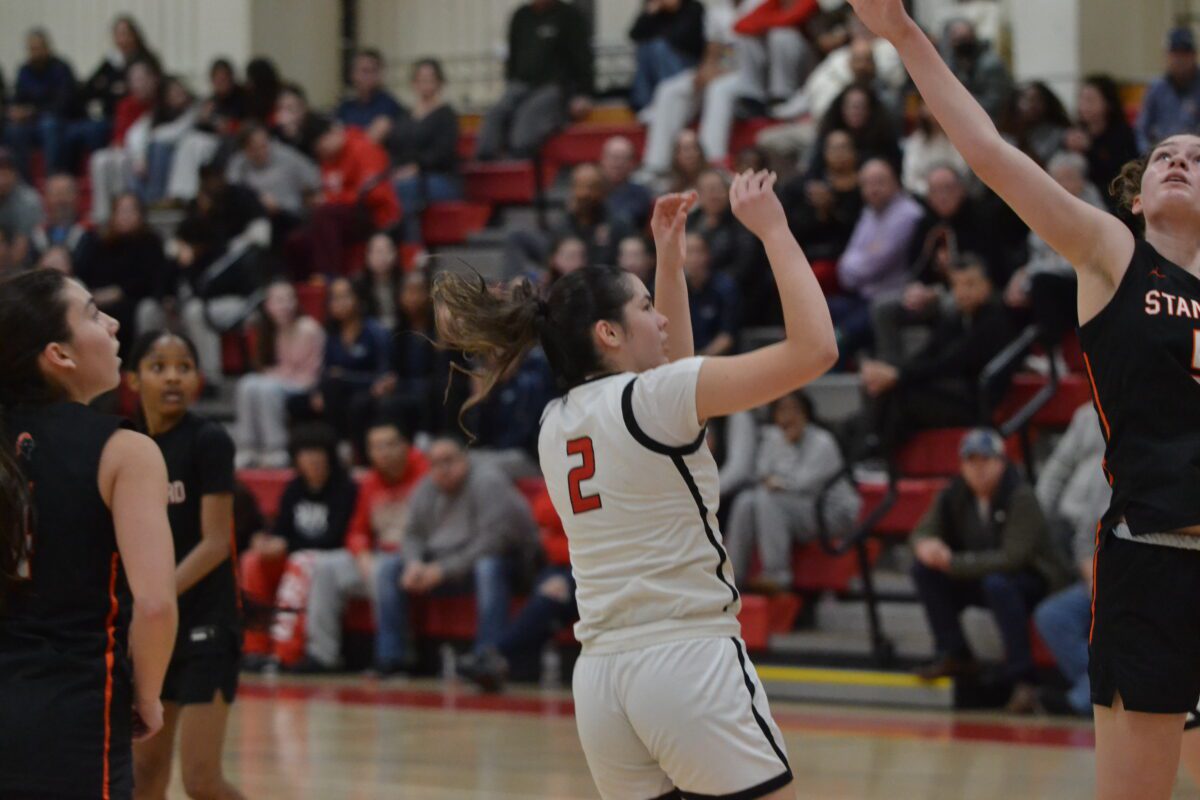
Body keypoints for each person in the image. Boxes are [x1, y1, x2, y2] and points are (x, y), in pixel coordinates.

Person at [848, 0, 1200, 794]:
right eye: (1163, 156)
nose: (1178, 161)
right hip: (1154, 560)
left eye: (1197, 157)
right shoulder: (1113, 254)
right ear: (1136, 197)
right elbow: (990, 154)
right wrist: (904, 35)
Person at [432, 171, 838, 799]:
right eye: (646, 308)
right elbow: (815, 350)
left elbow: (669, 374)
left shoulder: (554, 422)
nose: (663, 320)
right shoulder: (654, 400)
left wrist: (668, 259)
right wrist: (774, 230)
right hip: (686, 660)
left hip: (602, 681)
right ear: (609, 333)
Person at [0, 269, 177, 798]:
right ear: (59, 354)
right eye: (94, 314)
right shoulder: (127, 451)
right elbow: (155, 606)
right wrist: (147, 697)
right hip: (72, 711)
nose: (114, 323)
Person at [126, 331, 245, 800]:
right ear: (133, 379)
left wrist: (154, 596)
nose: (173, 377)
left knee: (201, 780)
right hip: (155, 631)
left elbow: (216, 543)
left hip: (205, 626)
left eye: (184, 367)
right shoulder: (126, 445)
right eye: (159, 367)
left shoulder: (208, 440)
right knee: (145, 774)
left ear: (198, 379)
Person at [908, 428, 1072, 713]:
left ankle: (1024, 681)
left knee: (999, 584)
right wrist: (926, 545)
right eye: (970, 461)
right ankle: (955, 653)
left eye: (985, 459)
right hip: (983, 576)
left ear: (1001, 462)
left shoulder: (1021, 496)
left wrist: (953, 563)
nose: (978, 468)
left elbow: (1013, 558)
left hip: (1036, 581)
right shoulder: (954, 494)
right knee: (924, 571)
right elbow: (922, 530)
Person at [372, 437, 540, 675]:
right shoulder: (425, 488)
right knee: (389, 567)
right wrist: (414, 563)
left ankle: (486, 659)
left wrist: (442, 570)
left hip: (508, 565)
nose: (442, 469)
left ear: (465, 458)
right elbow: (412, 535)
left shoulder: (488, 481)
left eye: (449, 460)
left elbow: (494, 542)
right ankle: (392, 658)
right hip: (445, 564)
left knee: (488, 567)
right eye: (435, 463)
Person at [293, 420, 428, 672]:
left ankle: (396, 656)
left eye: (390, 444)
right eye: (376, 447)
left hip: (415, 559)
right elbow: (357, 530)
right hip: (379, 556)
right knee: (324, 566)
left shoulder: (426, 476)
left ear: (406, 446)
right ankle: (323, 655)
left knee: (384, 570)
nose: (384, 452)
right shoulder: (370, 482)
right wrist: (362, 553)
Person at [239, 423, 358, 670]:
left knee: (301, 561)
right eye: (306, 453)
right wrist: (265, 541)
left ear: (329, 456)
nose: (313, 459)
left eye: (318, 453)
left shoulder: (346, 488)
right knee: (252, 561)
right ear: (297, 458)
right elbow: (281, 529)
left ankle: (286, 653)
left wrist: (286, 545)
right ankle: (254, 648)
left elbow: (335, 537)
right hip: (295, 556)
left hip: (327, 559)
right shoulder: (294, 488)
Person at [725, 390, 861, 594]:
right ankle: (732, 577)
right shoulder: (773, 437)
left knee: (767, 499)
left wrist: (776, 479)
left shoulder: (822, 441)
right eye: (782, 411)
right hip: (793, 509)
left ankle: (777, 575)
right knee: (746, 501)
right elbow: (761, 473)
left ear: (806, 414)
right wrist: (774, 476)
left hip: (831, 513)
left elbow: (804, 484)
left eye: (795, 410)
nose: (788, 417)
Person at [1031, 403, 1110, 718]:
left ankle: (1086, 696)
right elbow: (1084, 540)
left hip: (1152, 574)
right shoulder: (1088, 417)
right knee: (1053, 615)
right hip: (1092, 555)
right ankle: (1095, 688)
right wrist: (1093, 579)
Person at [476, 0, 594, 161]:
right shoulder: (521, 15)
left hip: (555, 86)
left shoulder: (569, 16)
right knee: (496, 112)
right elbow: (513, 56)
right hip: (521, 84)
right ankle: (485, 159)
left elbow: (583, 59)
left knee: (528, 116)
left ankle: (517, 158)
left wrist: (583, 94)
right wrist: (510, 83)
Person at [233, 280, 325, 468]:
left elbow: (312, 371)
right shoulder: (270, 329)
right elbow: (266, 366)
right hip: (280, 379)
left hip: (303, 384)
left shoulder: (309, 329)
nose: (285, 306)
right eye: (279, 301)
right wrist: (273, 375)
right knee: (247, 384)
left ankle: (275, 448)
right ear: (268, 306)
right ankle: (248, 447)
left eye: (289, 299)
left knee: (268, 388)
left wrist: (276, 377)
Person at [388, 58, 462, 243]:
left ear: (440, 83)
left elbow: (443, 153)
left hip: (441, 178)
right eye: (421, 79)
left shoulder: (446, 115)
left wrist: (416, 167)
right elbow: (395, 147)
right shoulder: (404, 115)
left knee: (405, 189)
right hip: (406, 175)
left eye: (430, 79)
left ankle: (413, 251)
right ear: (413, 83)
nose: (425, 84)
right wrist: (397, 170)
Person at [4, 28, 76, 177]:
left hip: (57, 119)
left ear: (47, 48)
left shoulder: (61, 68)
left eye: (38, 48)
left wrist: (32, 112)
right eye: (31, 49)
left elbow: (63, 103)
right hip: (31, 123)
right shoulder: (24, 70)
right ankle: (23, 181)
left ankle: (52, 176)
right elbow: (18, 98)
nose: (35, 53)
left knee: (49, 125)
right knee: (14, 130)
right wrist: (16, 111)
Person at [1063, 74, 1139, 212]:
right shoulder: (1075, 131)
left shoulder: (1122, 134)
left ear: (1108, 103)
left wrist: (1090, 149)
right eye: (1081, 99)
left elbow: (1122, 173)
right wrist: (1067, 146)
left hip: (1110, 200)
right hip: (1078, 196)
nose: (1084, 106)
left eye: (1090, 100)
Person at [629, 0, 707, 112]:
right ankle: (644, 105)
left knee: (659, 46)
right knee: (645, 47)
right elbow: (634, 35)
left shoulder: (694, 8)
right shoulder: (657, 12)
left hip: (688, 63)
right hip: (660, 62)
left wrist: (672, 9)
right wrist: (648, 15)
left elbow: (680, 38)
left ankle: (668, 103)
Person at [1137, 27, 1200, 153]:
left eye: (1185, 53)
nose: (1180, 59)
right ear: (1166, 56)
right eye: (1175, 53)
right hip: (1163, 154)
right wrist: (1149, 156)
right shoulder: (1156, 88)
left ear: (1194, 55)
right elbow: (1141, 130)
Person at [337, 49, 407, 146]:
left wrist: (345, 140)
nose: (369, 76)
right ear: (353, 74)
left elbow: (370, 140)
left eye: (373, 71)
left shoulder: (388, 104)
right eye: (364, 71)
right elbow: (333, 140)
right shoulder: (345, 107)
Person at [0, 147, 45, 266]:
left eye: (6, 171)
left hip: (30, 260)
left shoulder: (28, 201)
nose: (2, 178)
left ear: (15, 173)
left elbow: (19, 253)